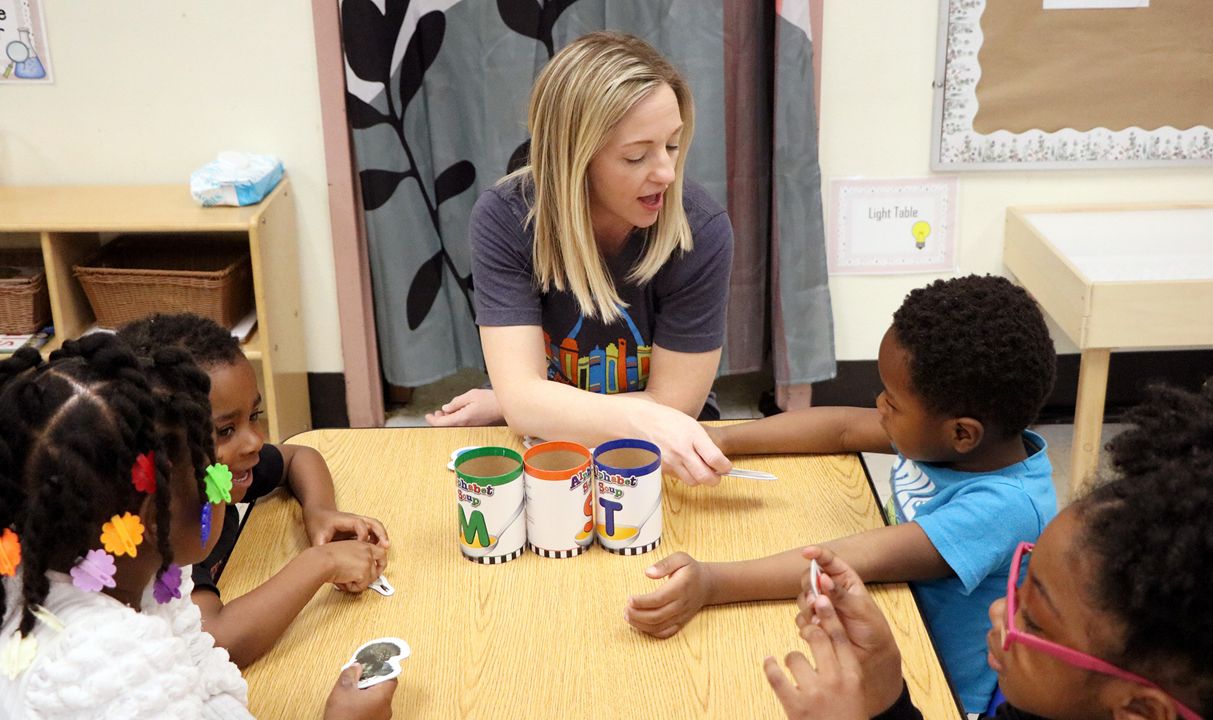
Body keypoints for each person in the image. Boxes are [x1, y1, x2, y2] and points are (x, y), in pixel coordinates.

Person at [626, 275, 1059, 712]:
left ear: (962, 432)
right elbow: (841, 427)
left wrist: (712, 583)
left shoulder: (1004, 507)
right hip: (892, 626)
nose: (879, 405)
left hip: (940, 688)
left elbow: (857, 557)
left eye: (892, 401)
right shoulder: (954, 439)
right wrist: (723, 440)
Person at [767, 376, 1213, 720]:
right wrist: (885, 692)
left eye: (1032, 620)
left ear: (1140, 711)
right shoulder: (1049, 704)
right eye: (1025, 578)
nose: (998, 608)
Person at [0, 334, 395, 719]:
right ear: (157, 519)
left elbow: (201, 677)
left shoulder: (148, 576)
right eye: (213, 477)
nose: (228, 481)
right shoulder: (109, 667)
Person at [426, 31, 734, 487]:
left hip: (660, 457)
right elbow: (528, 402)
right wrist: (519, 402)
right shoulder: (505, 217)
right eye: (636, 156)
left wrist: (524, 403)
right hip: (550, 441)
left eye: (672, 145)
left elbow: (671, 414)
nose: (667, 173)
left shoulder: (701, 230)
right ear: (574, 158)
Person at [119, 313, 390, 668]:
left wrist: (319, 511)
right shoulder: (171, 527)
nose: (256, 440)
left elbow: (298, 456)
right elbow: (217, 642)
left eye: (255, 414)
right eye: (225, 430)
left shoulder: (221, 471)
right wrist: (321, 563)